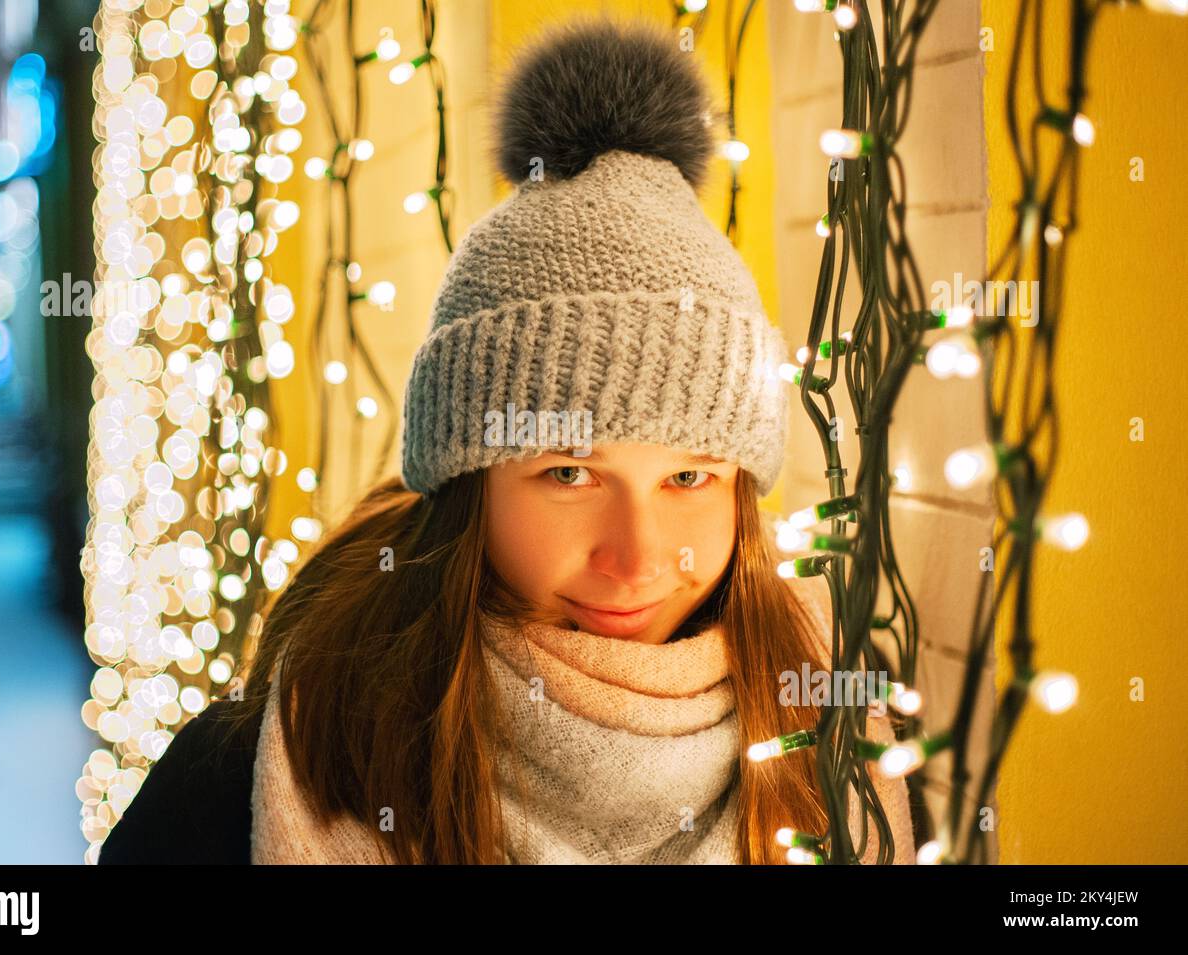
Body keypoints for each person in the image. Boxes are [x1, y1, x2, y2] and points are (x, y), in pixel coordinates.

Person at [98, 14, 915, 866]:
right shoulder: (255, 769)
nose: (638, 559)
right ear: (468, 481)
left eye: (688, 478)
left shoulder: (832, 719)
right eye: (569, 472)